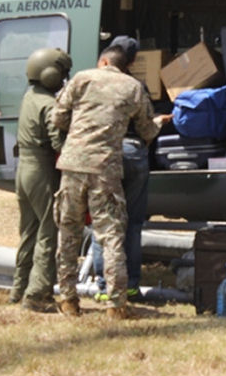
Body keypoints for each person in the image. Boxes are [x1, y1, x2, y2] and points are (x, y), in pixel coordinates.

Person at [51, 45, 171, 319]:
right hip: (106, 169)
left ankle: (68, 300)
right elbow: (146, 131)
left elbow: (58, 117)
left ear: (103, 61)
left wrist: (82, 127)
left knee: (68, 232)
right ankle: (116, 304)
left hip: (73, 165)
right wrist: (158, 122)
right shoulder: (133, 87)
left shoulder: (81, 78)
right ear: (123, 65)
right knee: (111, 235)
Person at [90, 36, 153, 303]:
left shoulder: (90, 83)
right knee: (133, 224)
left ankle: (105, 286)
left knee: (103, 221)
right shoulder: (137, 86)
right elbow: (148, 127)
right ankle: (131, 285)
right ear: (133, 61)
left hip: (104, 154)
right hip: (134, 153)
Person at [10, 47, 72, 313]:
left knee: (29, 231)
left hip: (23, 169)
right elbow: (59, 144)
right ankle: (38, 294)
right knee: (48, 231)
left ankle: (19, 288)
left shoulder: (29, 97)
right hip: (41, 170)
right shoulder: (49, 104)